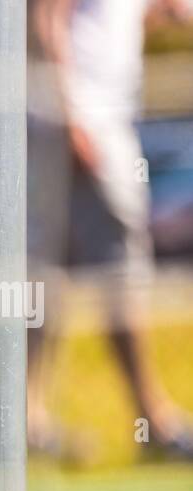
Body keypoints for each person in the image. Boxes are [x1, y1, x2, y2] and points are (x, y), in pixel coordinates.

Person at [28, 0, 193, 461]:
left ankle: (29, 423)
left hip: (98, 118)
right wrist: (71, 114)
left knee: (52, 270)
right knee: (112, 269)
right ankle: (153, 424)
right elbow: (46, 17)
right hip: (81, 120)